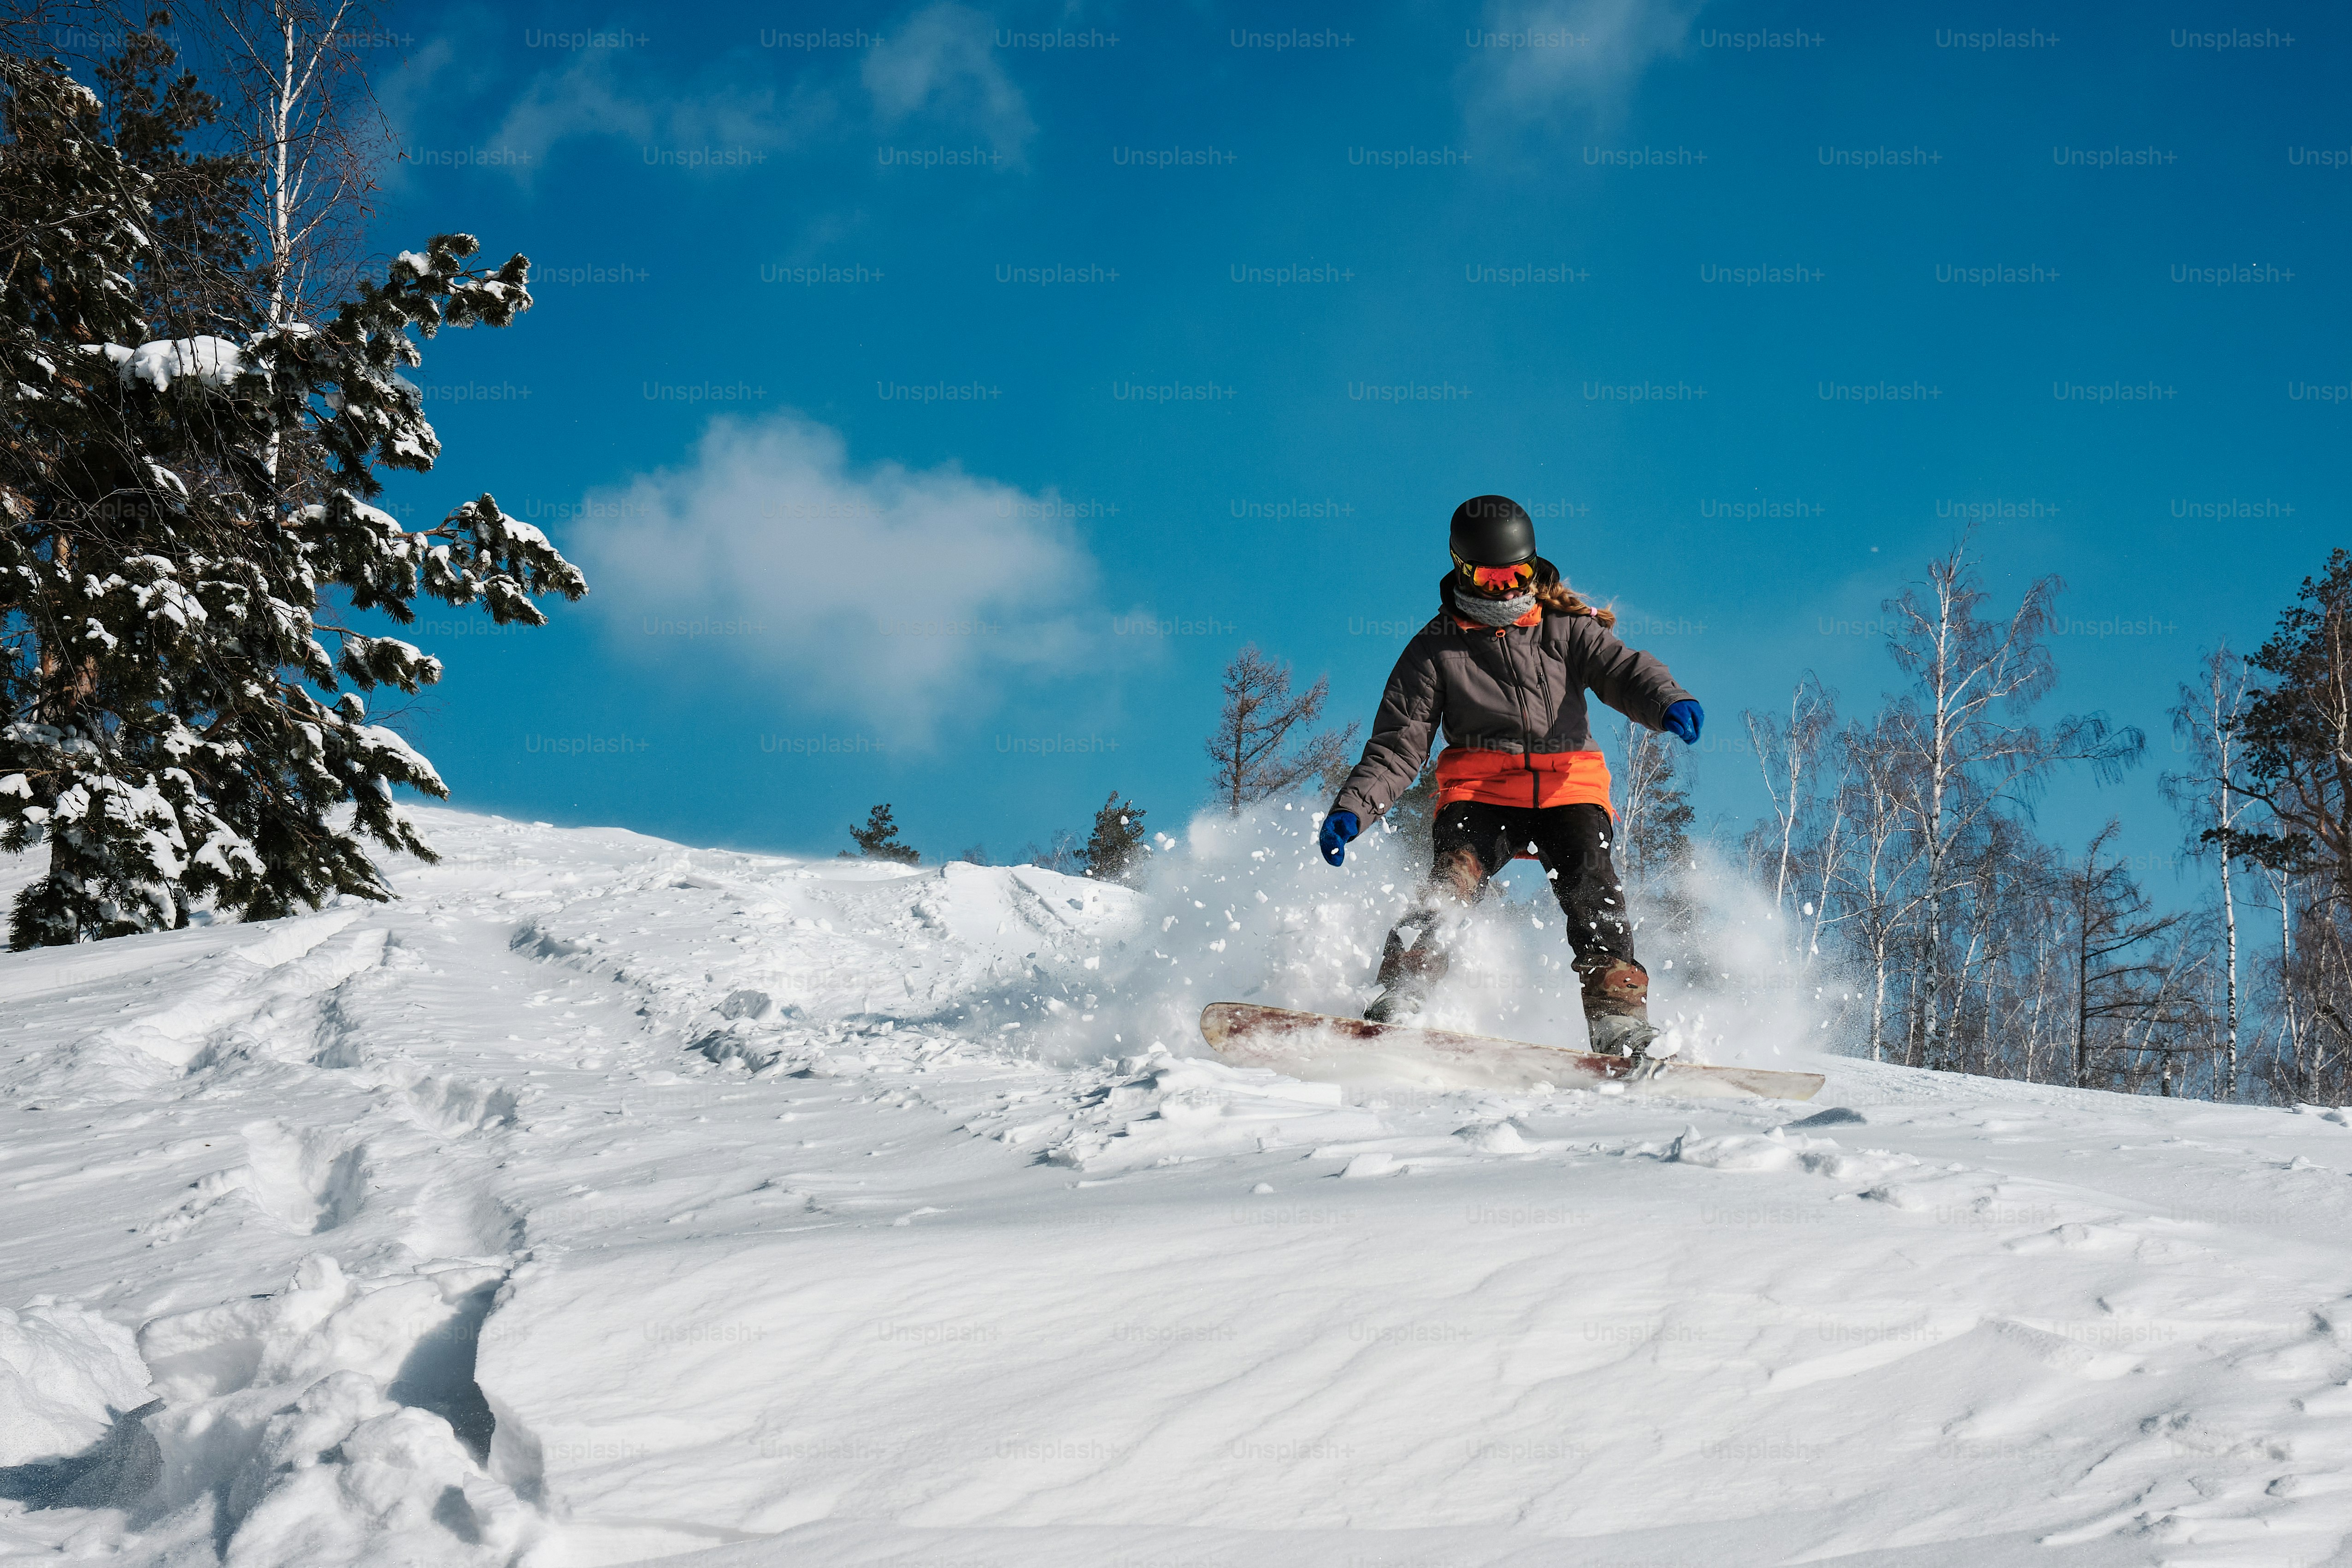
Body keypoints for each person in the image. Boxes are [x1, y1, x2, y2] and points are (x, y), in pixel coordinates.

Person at [1317, 495, 1703, 1058]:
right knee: (1450, 884)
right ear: (1461, 569)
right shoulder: (1434, 650)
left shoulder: (1568, 628)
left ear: (1533, 566)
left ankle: (1619, 1024)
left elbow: (1623, 669)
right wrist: (1353, 809)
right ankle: (1400, 995)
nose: (1505, 590)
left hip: (1569, 786)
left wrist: (1666, 699)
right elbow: (1400, 744)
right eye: (1491, 577)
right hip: (1482, 790)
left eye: (1517, 576)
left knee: (1593, 891)